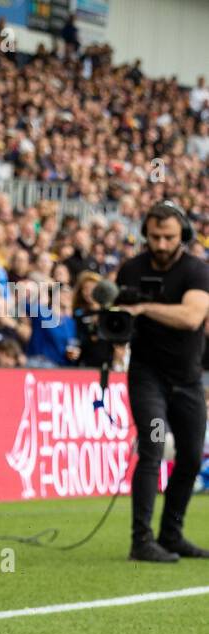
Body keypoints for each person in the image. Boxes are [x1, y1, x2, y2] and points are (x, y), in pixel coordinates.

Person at [116, 201, 209, 562]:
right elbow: (119, 319)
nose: (160, 243)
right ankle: (142, 540)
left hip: (187, 379)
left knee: (188, 455)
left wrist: (143, 309)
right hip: (147, 376)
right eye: (154, 236)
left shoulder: (197, 271)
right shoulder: (131, 269)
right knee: (153, 449)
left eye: (168, 237)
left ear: (182, 235)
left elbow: (191, 316)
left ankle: (172, 534)